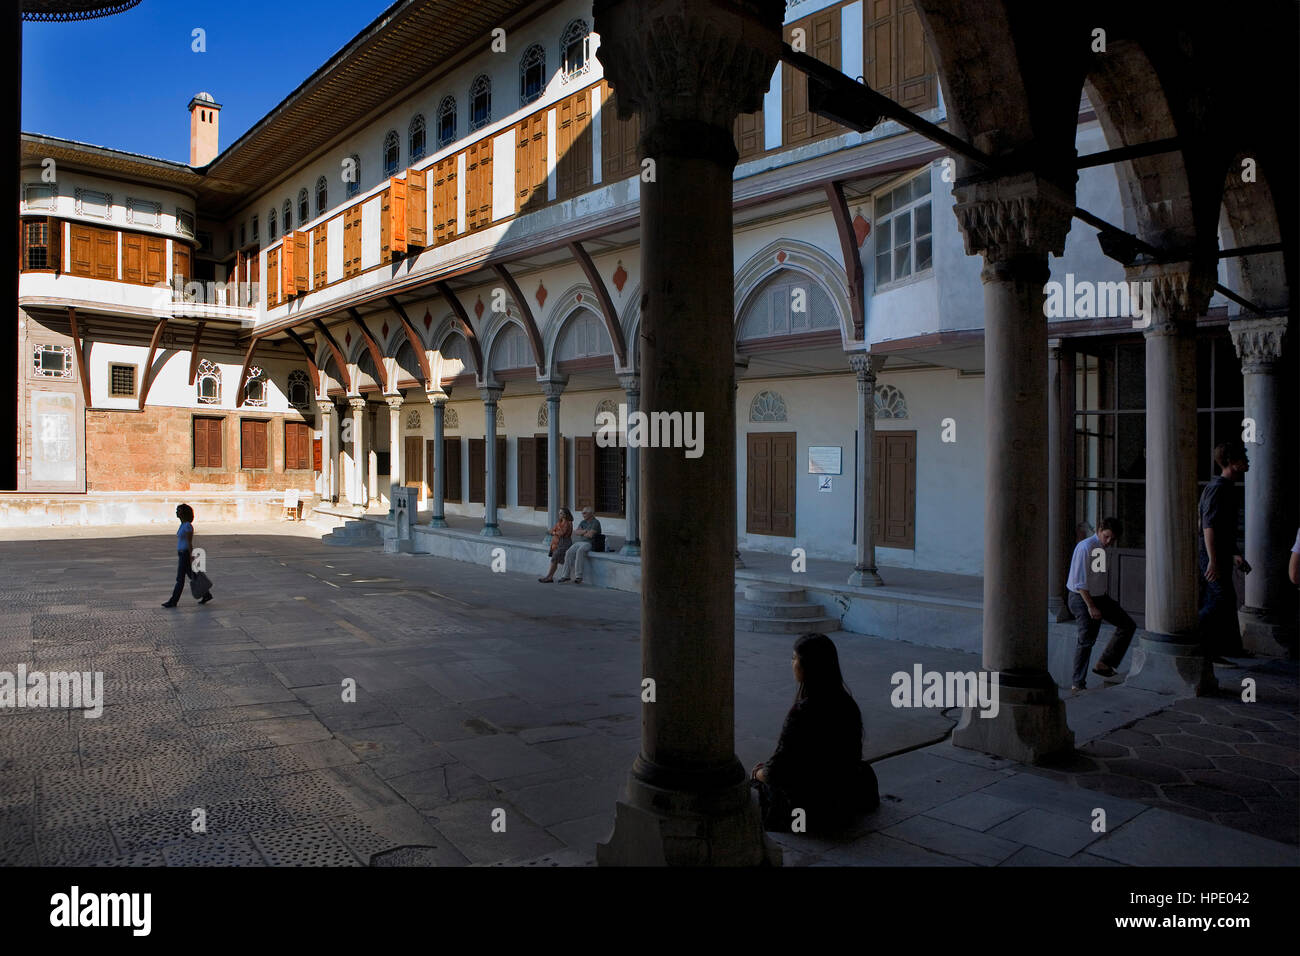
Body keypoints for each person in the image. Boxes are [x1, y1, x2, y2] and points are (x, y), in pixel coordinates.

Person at [750, 633, 879, 834]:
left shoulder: (803, 712)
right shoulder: (847, 704)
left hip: (810, 811)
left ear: (807, 665)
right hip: (840, 803)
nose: (792, 663)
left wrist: (758, 773)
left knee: (753, 790)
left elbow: (777, 771)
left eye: (794, 658)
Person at [1065, 516, 1135, 691]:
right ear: (1099, 530)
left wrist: (1103, 600)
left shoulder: (1101, 548)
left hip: (1098, 597)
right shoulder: (1086, 547)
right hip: (1081, 598)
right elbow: (1080, 583)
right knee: (1086, 640)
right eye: (1106, 536)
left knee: (1127, 625)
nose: (1109, 541)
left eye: (1112, 538)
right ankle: (1077, 684)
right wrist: (1091, 606)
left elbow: (1096, 576)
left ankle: (1104, 664)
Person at [1198, 441, 1249, 662]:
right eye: (1243, 458)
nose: (1247, 462)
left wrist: (1234, 553)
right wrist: (1213, 559)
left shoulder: (1226, 488)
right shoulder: (1218, 488)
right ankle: (1196, 644)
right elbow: (1208, 526)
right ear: (1231, 462)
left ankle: (1222, 649)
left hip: (1219, 555)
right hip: (1212, 556)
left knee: (1223, 600)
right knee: (1219, 601)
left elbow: (1223, 528)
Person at [163, 503, 211, 607]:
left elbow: (189, 542)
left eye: (178, 510)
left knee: (180, 579)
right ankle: (206, 594)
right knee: (192, 575)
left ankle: (173, 601)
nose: (176, 512)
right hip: (181, 554)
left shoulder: (188, 526)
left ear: (183, 513)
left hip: (185, 554)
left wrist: (191, 556)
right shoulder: (182, 525)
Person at [557, 506, 601, 584]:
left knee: (580, 551)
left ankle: (578, 576)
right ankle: (565, 576)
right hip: (580, 542)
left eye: (584, 513)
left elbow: (590, 535)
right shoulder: (582, 522)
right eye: (582, 513)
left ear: (590, 514)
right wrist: (586, 531)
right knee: (569, 552)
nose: (582, 514)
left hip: (590, 543)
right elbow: (576, 532)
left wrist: (582, 532)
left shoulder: (595, 522)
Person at [538, 507, 573, 583]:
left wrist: (554, 532)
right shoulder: (559, 523)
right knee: (554, 559)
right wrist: (554, 532)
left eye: (561, 513)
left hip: (564, 543)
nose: (559, 514)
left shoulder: (568, 523)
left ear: (565, 514)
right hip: (556, 543)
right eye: (559, 513)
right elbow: (552, 530)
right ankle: (549, 577)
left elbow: (561, 533)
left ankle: (549, 577)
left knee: (555, 558)